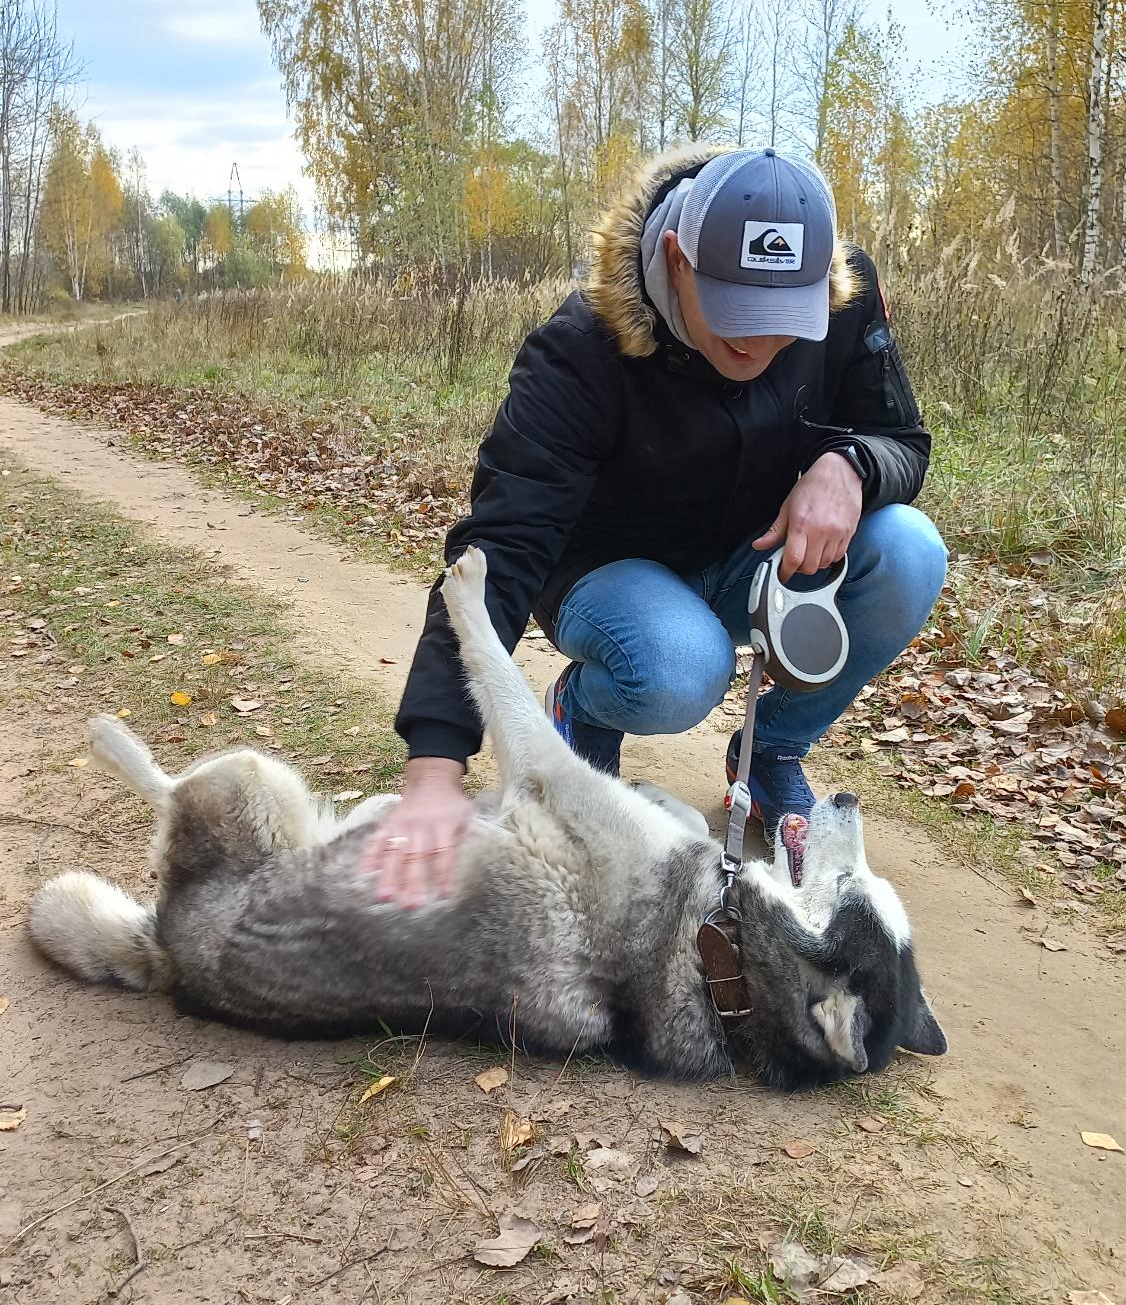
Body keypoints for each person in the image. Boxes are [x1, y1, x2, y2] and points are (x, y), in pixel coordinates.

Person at [369, 145, 946, 908]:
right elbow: (500, 548)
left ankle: (768, 748)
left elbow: (899, 440)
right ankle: (583, 706)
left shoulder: (845, 302)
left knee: (911, 550)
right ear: (677, 260)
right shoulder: (578, 352)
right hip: (610, 571)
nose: (761, 348)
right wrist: (435, 764)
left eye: (786, 325)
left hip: (753, 552)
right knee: (679, 668)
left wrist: (850, 467)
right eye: (739, 315)